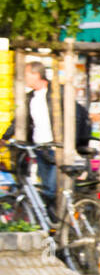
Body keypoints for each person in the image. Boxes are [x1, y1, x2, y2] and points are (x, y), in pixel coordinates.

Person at [2, 61, 57, 208]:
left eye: (26, 74)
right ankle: (52, 223)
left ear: (36, 74)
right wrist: (5, 137)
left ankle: (60, 222)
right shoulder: (30, 97)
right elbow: (19, 119)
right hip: (39, 148)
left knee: (53, 188)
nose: (24, 78)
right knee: (46, 187)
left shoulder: (56, 93)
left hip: (56, 147)